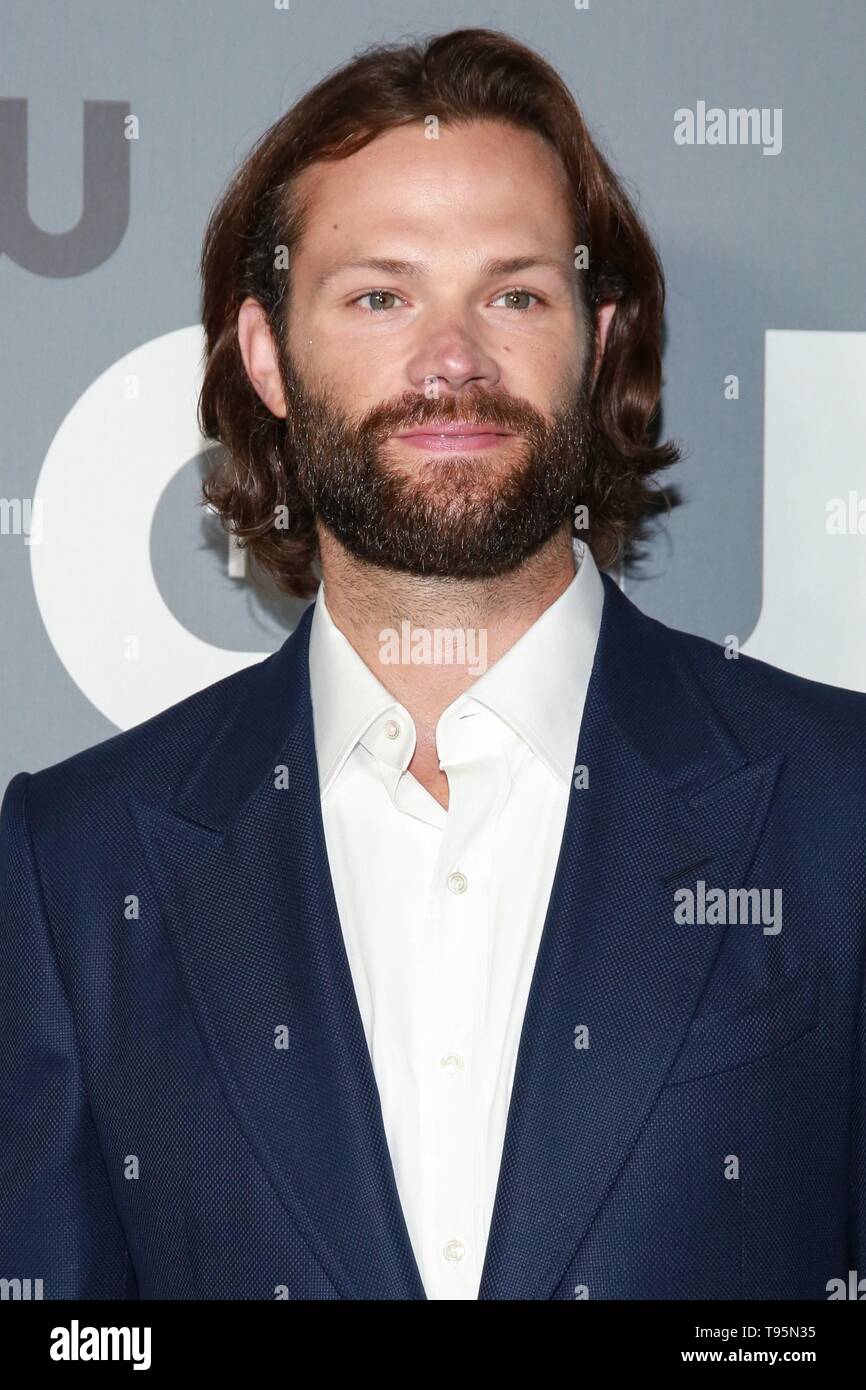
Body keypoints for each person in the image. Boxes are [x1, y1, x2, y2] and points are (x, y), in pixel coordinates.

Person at [1, 27, 863, 1302]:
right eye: (379, 295)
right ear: (263, 356)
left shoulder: (835, 807)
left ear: (597, 337)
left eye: (513, 293)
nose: (450, 361)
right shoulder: (75, 866)